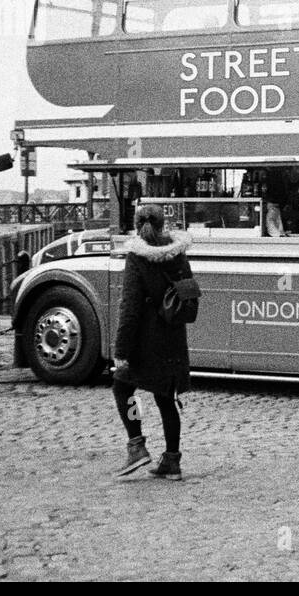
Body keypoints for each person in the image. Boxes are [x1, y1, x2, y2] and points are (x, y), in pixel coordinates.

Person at [112, 203, 193, 480]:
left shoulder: (137, 257)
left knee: (123, 389)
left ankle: (137, 444)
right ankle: (172, 461)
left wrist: (121, 350)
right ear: (163, 225)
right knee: (166, 398)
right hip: (173, 338)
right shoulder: (178, 254)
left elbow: (130, 308)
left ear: (137, 225)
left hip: (146, 343)